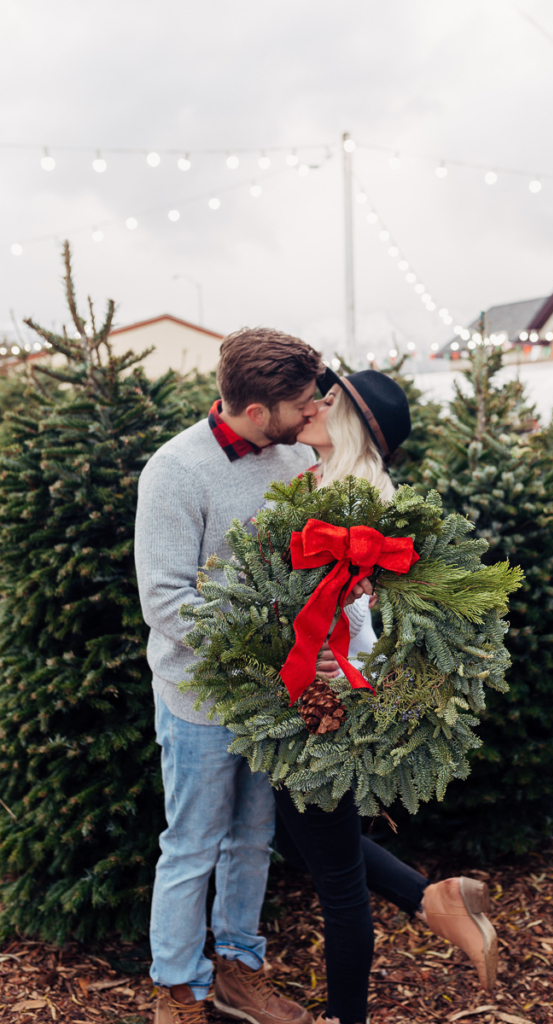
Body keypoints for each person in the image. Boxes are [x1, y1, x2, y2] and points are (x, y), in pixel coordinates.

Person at [135, 328, 368, 1024]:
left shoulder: (295, 457)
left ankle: (238, 970)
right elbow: (165, 601)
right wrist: (268, 641)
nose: (315, 412)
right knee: (192, 846)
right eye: (303, 404)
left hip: (274, 699)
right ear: (259, 411)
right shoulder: (176, 471)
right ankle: (178, 990)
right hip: (199, 700)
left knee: (251, 840)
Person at [273, 367, 498, 1024]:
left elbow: (373, 621)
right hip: (300, 697)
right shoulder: (314, 483)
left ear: (351, 422)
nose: (312, 406)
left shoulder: (356, 503)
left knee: (338, 883)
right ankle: (434, 899)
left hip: (322, 702)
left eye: (328, 400)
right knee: (304, 841)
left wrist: (342, 670)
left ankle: (351, 1015)